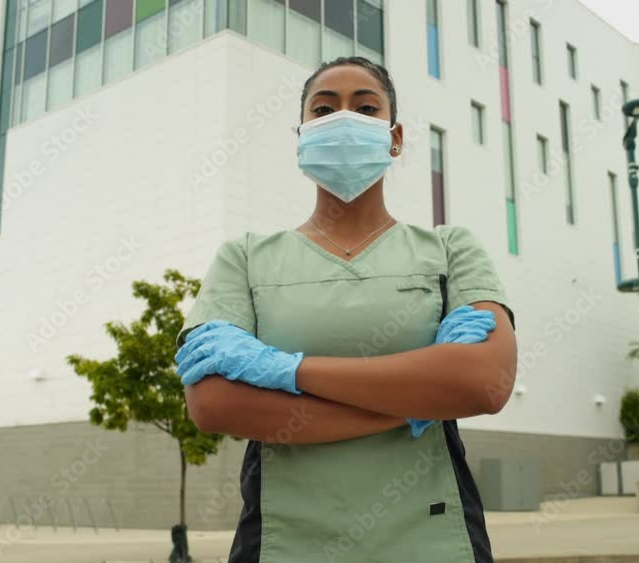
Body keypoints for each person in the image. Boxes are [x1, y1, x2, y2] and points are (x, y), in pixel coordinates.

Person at [176, 57, 517, 563]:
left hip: (433, 541)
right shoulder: (245, 259)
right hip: (285, 543)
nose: (343, 119)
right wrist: (418, 398)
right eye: (323, 109)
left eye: (365, 107)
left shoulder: (449, 250)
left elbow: (485, 382)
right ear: (301, 137)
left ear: (394, 137)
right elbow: (213, 403)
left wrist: (284, 369)